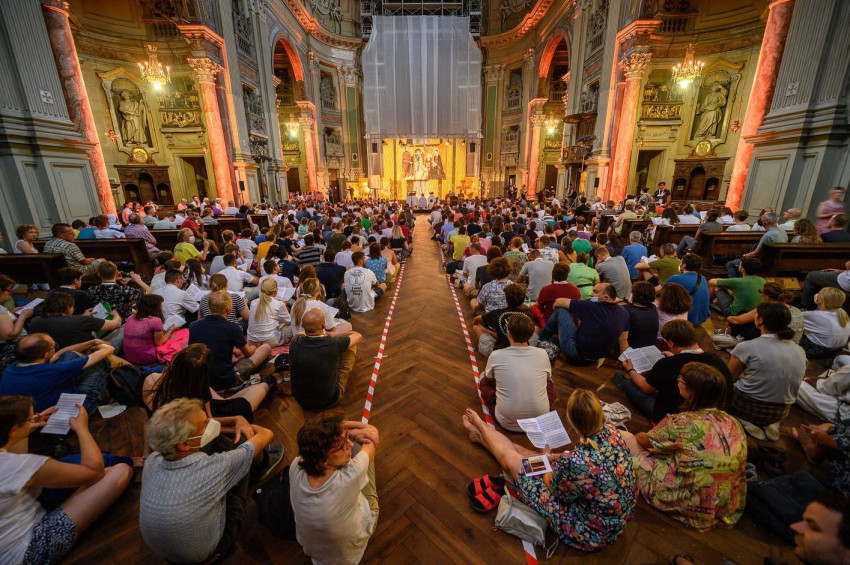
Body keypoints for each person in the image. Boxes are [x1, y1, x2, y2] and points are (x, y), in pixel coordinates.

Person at [460, 389, 636, 551]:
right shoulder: (613, 433)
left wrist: (547, 460)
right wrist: (551, 457)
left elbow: (554, 487)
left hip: (589, 531)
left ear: (574, 425)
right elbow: (578, 462)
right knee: (524, 456)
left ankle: (482, 428)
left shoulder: (576, 461)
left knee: (514, 462)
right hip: (614, 520)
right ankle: (482, 437)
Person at [140, 398, 275, 563]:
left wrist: (234, 420)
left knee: (217, 443)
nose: (210, 424)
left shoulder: (152, 460)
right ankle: (262, 467)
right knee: (241, 463)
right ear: (184, 444)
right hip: (208, 552)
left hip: (167, 553)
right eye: (204, 423)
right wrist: (245, 425)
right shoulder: (211, 469)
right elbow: (266, 434)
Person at [0, 395, 132, 565]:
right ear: (13, 430)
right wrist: (82, 428)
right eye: (31, 418)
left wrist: (27, 427)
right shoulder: (15, 466)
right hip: (27, 552)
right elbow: (94, 472)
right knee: (121, 471)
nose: (35, 418)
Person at [621, 362, 747, 531]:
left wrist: (637, 436)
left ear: (692, 391)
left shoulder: (681, 423)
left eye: (681, 379)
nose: (678, 380)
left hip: (686, 500)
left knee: (626, 438)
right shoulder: (732, 421)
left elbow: (645, 441)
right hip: (722, 503)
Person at [290, 412, 380, 564]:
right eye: (341, 445)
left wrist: (342, 432)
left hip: (317, 556)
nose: (349, 444)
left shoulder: (296, 466)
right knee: (362, 448)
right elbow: (373, 433)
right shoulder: (351, 476)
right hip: (351, 555)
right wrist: (353, 432)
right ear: (323, 460)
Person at [616, 320, 732, 422]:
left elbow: (645, 387)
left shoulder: (669, 364)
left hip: (674, 418)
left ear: (671, 343)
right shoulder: (718, 362)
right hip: (714, 417)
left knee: (628, 383)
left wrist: (630, 368)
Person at [727, 302, 807, 441]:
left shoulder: (747, 346)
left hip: (745, 406)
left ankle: (743, 420)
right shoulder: (800, 351)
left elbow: (729, 378)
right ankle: (771, 424)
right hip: (780, 412)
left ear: (760, 320)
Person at [0, 333, 113, 415]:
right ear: (45, 354)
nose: (55, 348)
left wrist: (92, 342)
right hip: (60, 415)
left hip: (32, 410)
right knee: (100, 362)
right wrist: (98, 346)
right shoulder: (51, 371)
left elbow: (59, 354)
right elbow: (108, 349)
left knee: (70, 354)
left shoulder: (13, 366)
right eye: (54, 346)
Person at [479, 314, 553, 431]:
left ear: (508, 333)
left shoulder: (496, 355)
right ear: (531, 334)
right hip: (540, 419)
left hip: (507, 422)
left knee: (482, 378)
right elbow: (547, 378)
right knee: (548, 381)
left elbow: (488, 380)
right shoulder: (542, 353)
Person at [189, 292, 271, 392]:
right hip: (225, 379)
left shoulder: (193, 326)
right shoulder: (232, 328)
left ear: (209, 308)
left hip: (202, 380)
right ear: (228, 309)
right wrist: (255, 346)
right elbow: (248, 353)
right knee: (266, 347)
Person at [540, 282, 630, 365]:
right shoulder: (624, 313)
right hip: (595, 360)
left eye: (595, 292)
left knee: (561, 310)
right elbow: (623, 341)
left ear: (605, 297)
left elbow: (558, 301)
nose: (591, 294)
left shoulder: (591, 307)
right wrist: (627, 364)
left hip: (575, 355)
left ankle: (542, 338)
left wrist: (554, 311)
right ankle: (552, 340)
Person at [290, 308, 362, 410]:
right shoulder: (333, 343)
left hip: (299, 399)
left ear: (302, 325)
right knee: (351, 347)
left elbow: (301, 333)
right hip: (329, 401)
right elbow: (358, 335)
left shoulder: (294, 341)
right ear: (324, 325)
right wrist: (336, 334)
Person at [28, 291, 122, 350]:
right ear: (69, 306)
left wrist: (84, 316)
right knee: (123, 328)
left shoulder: (35, 321)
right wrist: (116, 314)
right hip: (88, 353)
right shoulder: (80, 320)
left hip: (52, 355)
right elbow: (115, 324)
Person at [725, 212, 787, 278]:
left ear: (767, 221)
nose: (760, 220)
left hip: (763, 262)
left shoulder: (768, 235)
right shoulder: (783, 232)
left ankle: (736, 283)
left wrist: (744, 256)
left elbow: (755, 253)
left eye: (762, 218)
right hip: (776, 260)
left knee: (730, 264)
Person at [123, 294, 179, 366]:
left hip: (129, 355)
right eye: (160, 304)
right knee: (178, 337)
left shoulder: (131, 317)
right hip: (145, 356)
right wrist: (171, 329)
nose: (162, 306)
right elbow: (159, 343)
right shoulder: (155, 321)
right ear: (155, 307)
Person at [800, 287, 850, 359]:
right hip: (835, 351)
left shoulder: (817, 316)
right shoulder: (843, 314)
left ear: (820, 300)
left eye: (819, 294)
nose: (817, 295)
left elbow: (795, 315)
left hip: (818, 352)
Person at [530, 262, 581, 327]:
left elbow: (538, 306)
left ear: (553, 274)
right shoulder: (575, 290)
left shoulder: (546, 289)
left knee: (532, 306)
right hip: (571, 325)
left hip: (551, 326)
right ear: (567, 275)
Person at [665, 254, 709, 327]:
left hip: (686, 320)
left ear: (684, 265)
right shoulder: (702, 278)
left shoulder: (676, 278)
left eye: (681, 261)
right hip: (701, 319)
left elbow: (655, 291)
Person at [246, 278, 292, 347]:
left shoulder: (253, 302)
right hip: (269, 341)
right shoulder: (278, 304)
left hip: (252, 340)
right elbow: (289, 321)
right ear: (276, 291)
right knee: (292, 327)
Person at [619, 281, 659, 350]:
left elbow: (623, 339)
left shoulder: (626, 311)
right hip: (650, 348)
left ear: (634, 294)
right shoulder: (652, 307)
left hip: (632, 350)